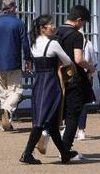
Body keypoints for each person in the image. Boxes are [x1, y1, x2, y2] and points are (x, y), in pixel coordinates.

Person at [20, 14, 76, 165]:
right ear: (42, 29)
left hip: (39, 82)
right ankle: (27, 154)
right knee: (42, 120)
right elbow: (68, 61)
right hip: (51, 82)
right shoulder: (53, 44)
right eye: (51, 24)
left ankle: (65, 154)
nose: (54, 26)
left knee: (50, 121)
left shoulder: (34, 43)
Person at [54, 6, 97, 152]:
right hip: (73, 77)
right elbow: (78, 59)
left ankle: (45, 135)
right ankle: (66, 148)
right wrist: (90, 67)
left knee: (58, 110)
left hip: (55, 76)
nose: (82, 25)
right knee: (73, 114)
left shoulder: (54, 32)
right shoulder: (76, 35)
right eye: (83, 22)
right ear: (78, 20)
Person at [0, 0, 30, 131]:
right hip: (14, 63)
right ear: (13, 8)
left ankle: (7, 124)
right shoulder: (19, 23)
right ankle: (6, 110)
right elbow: (25, 44)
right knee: (16, 92)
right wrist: (28, 59)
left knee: (4, 93)